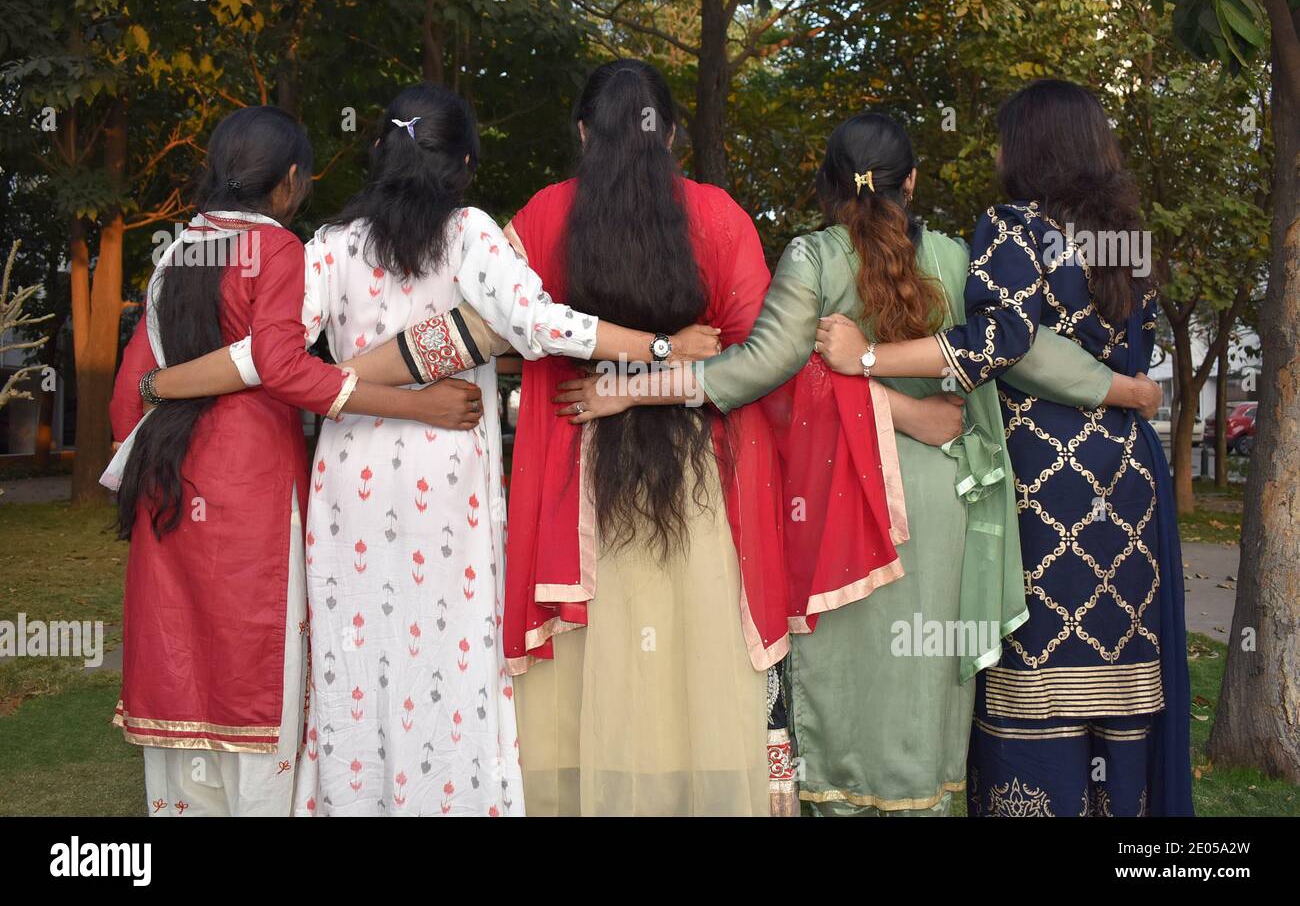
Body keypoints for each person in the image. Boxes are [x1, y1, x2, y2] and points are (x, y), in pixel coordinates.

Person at [555, 110, 1161, 814]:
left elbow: (747, 371)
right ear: (913, 180)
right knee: (921, 705)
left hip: (847, 505)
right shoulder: (960, 260)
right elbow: (1020, 348)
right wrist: (1123, 389)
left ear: (828, 185)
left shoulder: (813, 259)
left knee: (845, 702)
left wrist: (628, 388)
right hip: (944, 505)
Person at [141, 83, 721, 815]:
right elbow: (541, 325)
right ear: (467, 161)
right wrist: (661, 346)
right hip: (445, 481)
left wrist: (162, 384)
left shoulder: (328, 245)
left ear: (379, 152)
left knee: (353, 663)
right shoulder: (471, 234)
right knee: (449, 663)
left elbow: (271, 357)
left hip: (347, 481)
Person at [498, 60, 904, 816]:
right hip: (701, 480)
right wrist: (666, 351)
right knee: (692, 669)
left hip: (576, 480)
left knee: (600, 673)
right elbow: (759, 360)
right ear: (674, 137)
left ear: (583, 134)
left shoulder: (538, 220)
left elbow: (497, 332)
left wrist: (613, 376)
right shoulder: (718, 217)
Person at [814, 81, 1192, 817]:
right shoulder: (1129, 241)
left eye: (1004, 138)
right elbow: (1130, 364)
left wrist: (867, 359)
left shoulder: (1012, 224)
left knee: (1038, 674)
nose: (994, 153)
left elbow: (1004, 341)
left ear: (1033, 148)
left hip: (1045, 477)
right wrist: (1125, 394)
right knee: (1120, 670)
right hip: (1128, 472)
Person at [106, 106, 479, 817]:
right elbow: (279, 366)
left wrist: (160, 408)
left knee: (181, 660)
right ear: (287, 182)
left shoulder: (180, 250)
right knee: (255, 667)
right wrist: (417, 405)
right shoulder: (277, 249)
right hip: (249, 487)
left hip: (167, 483)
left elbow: (132, 394)